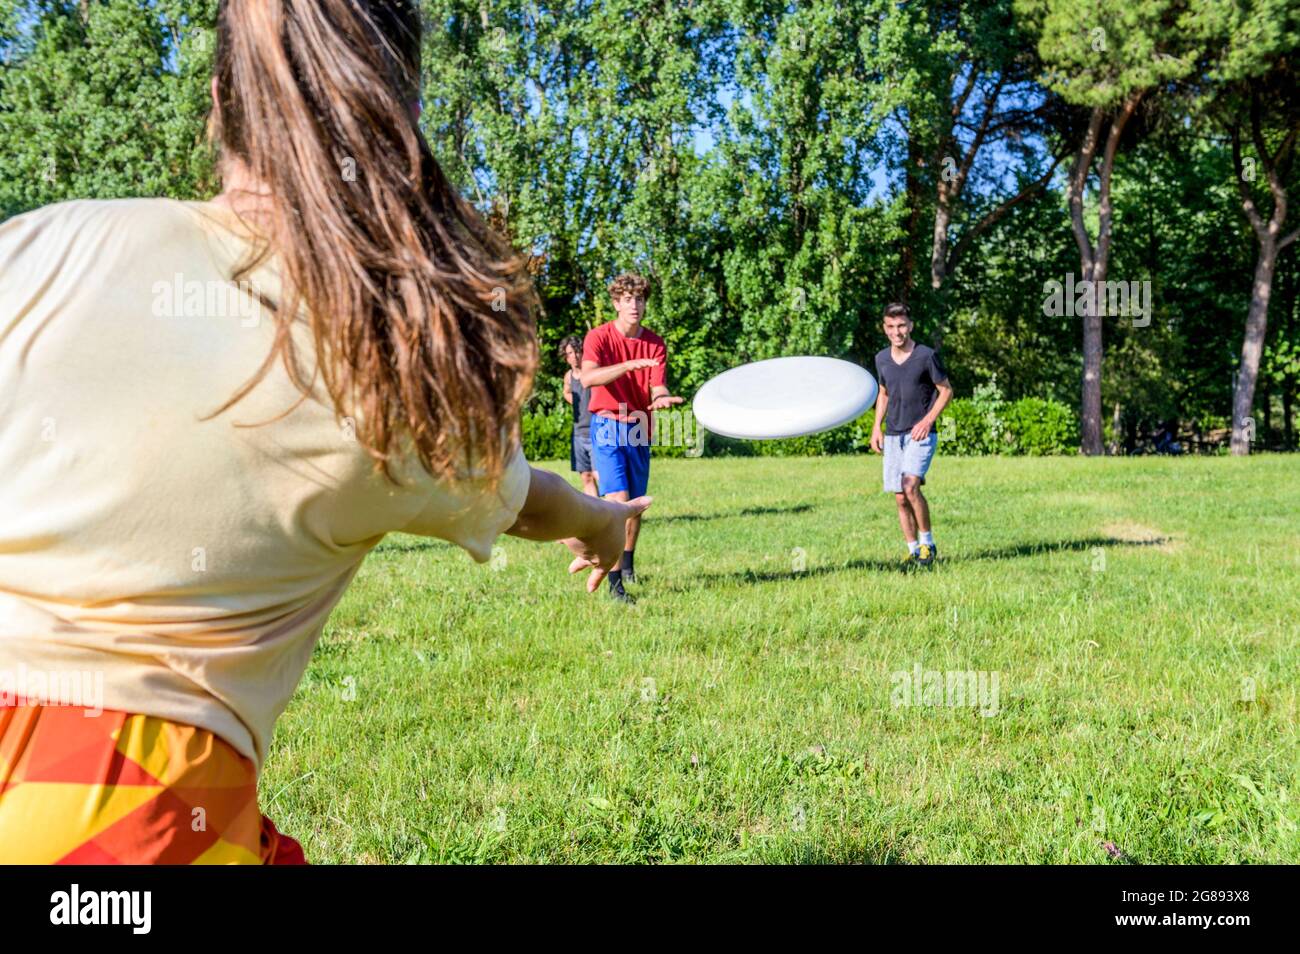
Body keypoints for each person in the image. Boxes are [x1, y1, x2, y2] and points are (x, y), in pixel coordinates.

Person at [0, 0, 646, 865]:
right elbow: (529, 505)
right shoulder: (388, 361)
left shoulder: (41, 245)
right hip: (112, 818)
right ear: (400, 119)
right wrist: (604, 523)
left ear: (221, 98)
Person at [579, 273, 682, 602]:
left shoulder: (655, 342)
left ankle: (626, 565)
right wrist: (628, 364)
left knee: (636, 508)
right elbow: (588, 378)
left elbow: (657, 384)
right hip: (607, 422)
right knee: (618, 503)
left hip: (640, 424)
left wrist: (662, 397)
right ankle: (615, 586)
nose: (634, 305)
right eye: (627, 299)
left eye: (639, 299)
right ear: (615, 303)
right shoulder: (599, 337)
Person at [870, 302, 953, 567]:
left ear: (911, 326)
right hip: (893, 434)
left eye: (902, 325)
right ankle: (912, 549)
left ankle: (928, 544)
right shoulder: (881, 358)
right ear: (884, 328)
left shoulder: (925, 355)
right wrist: (876, 428)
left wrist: (928, 421)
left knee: (910, 487)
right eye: (891, 326)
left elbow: (946, 391)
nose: (897, 331)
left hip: (920, 434)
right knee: (899, 496)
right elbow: (883, 394)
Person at [559, 335, 599, 496]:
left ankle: (616, 511)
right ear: (565, 356)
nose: (574, 357)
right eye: (569, 353)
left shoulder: (592, 373)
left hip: (597, 431)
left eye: (577, 352)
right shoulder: (568, 376)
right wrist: (575, 402)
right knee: (587, 477)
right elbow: (566, 392)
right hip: (578, 433)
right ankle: (596, 517)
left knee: (601, 475)